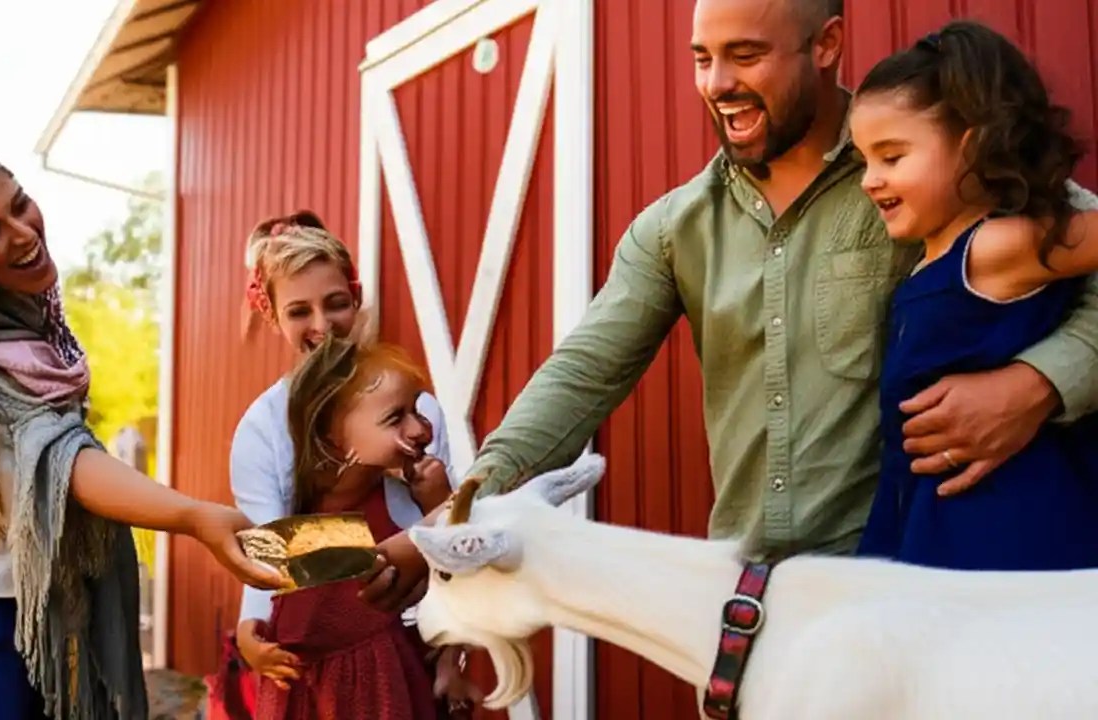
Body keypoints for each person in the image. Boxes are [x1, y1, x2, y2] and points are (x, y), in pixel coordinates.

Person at [359, 0, 1098, 612]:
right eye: (701, 58)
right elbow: (580, 375)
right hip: (747, 609)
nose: (717, 83)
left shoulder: (922, 172)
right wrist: (455, 511)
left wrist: (1040, 384)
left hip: (901, 588)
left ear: (827, 43)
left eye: (745, 55)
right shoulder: (674, 230)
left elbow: (1076, 251)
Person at [0, 142, 282, 720]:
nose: (23, 231)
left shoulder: (26, 330)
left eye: (20, 204)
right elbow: (62, 460)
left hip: (35, 595)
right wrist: (192, 516)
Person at [849, 21, 1098, 569]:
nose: (870, 179)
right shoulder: (932, 257)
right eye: (865, 160)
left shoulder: (994, 247)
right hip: (934, 525)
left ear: (972, 146)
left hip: (1011, 540)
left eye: (892, 157)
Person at [227, 214, 455, 684]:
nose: (322, 326)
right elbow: (268, 550)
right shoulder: (261, 430)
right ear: (272, 315)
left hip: (405, 631)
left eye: (335, 304)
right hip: (312, 647)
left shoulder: (418, 408)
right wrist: (249, 625)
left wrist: (452, 647)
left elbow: (454, 523)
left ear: (356, 297)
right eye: (298, 312)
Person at [249, 336, 479, 719]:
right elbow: (269, 556)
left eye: (416, 411)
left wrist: (449, 662)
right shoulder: (296, 508)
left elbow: (456, 580)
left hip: (383, 690)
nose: (422, 430)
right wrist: (443, 514)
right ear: (333, 437)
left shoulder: (400, 500)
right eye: (396, 417)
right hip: (309, 697)